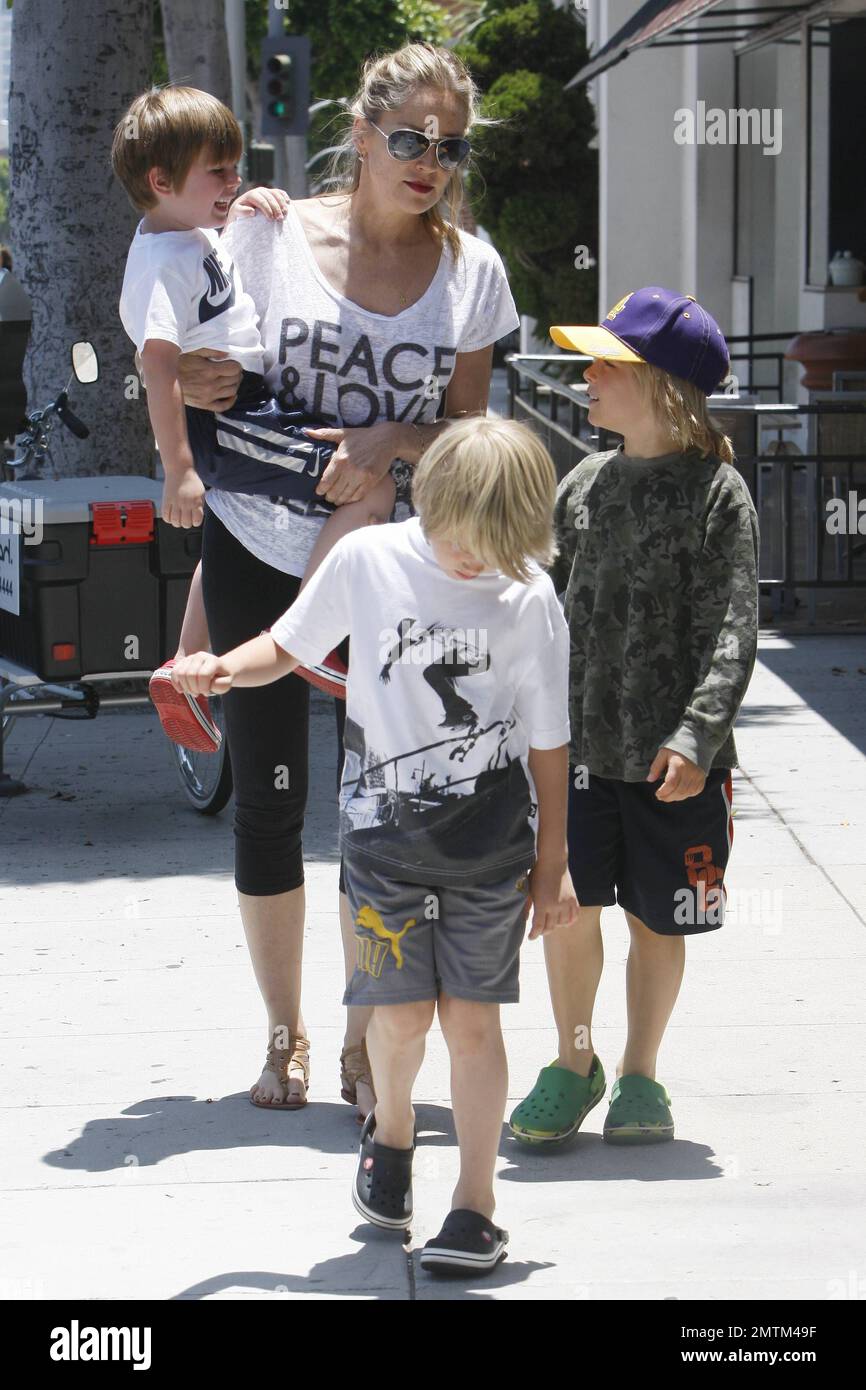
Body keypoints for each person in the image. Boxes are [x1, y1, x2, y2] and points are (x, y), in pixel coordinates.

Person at [129, 44, 521, 1121]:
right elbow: (185, 348)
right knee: (269, 798)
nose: (429, 163)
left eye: (450, 147)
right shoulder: (265, 230)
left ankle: (361, 1036)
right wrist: (203, 383)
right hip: (259, 537)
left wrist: (395, 432)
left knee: (379, 806)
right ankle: (281, 1030)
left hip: (392, 568)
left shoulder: (472, 272)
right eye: (409, 140)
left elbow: (473, 435)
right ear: (361, 134)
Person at [169, 416, 578, 1275]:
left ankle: (474, 1205)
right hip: (385, 842)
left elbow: (548, 740)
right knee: (398, 1021)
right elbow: (286, 645)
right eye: (466, 541)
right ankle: (391, 1135)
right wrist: (218, 667)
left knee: (473, 1024)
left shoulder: (529, 593)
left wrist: (554, 868)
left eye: (501, 546)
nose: (478, 563)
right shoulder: (368, 560)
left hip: (490, 847)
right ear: (431, 502)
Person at [509, 287, 759, 1147]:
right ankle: (571, 1061)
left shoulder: (718, 495)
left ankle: (640, 1073)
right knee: (566, 908)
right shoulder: (584, 484)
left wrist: (698, 736)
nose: (586, 377)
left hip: (674, 765)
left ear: (659, 385)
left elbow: (734, 625)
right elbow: (534, 605)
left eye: (604, 364)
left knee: (660, 920)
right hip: (579, 755)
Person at [111, 86, 394, 752]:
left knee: (233, 524)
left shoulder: (182, 234)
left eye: (235, 167)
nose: (234, 179)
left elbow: (213, 268)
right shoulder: (158, 262)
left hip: (248, 404)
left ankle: (185, 662)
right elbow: (157, 366)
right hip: (228, 418)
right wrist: (177, 470)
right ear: (160, 180)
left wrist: (234, 205)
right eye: (220, 169)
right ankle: (309, 636)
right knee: (373, 481)